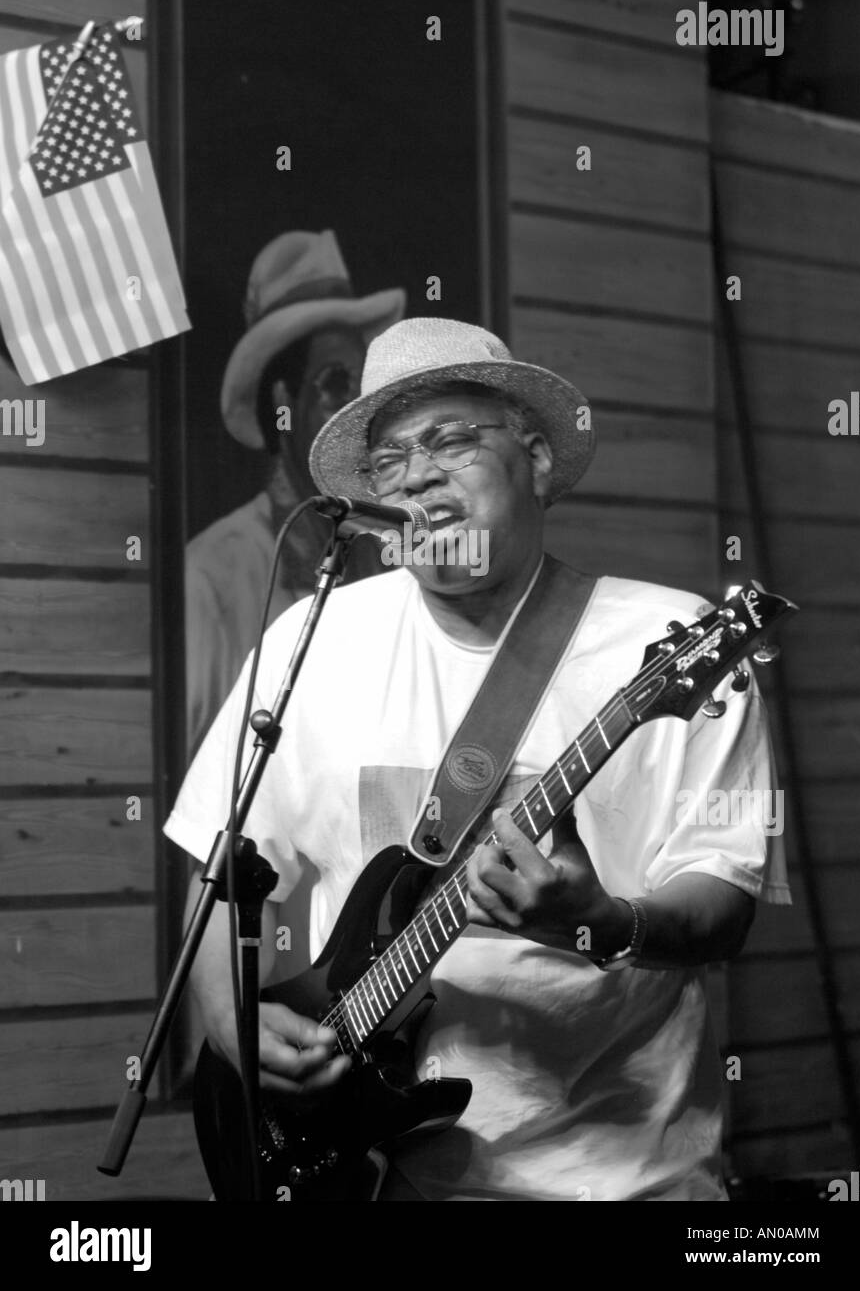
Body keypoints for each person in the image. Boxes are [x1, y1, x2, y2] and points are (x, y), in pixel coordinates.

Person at [165, 317, 790, 1201]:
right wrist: (229, 1022)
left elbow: (723, 903)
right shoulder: (317, 633)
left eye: (454, 440)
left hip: (622, 1176)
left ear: (535, 460)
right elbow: (213, 865)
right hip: (383, 1174)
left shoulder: (665, 641)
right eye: (391, 459)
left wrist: (601, 922)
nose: (419, 474)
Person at [185, 229, 406, 754]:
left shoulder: (397, 559)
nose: (356, 409)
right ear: (284, 402)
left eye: (363, 385)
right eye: (334, 384)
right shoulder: (213, 577)